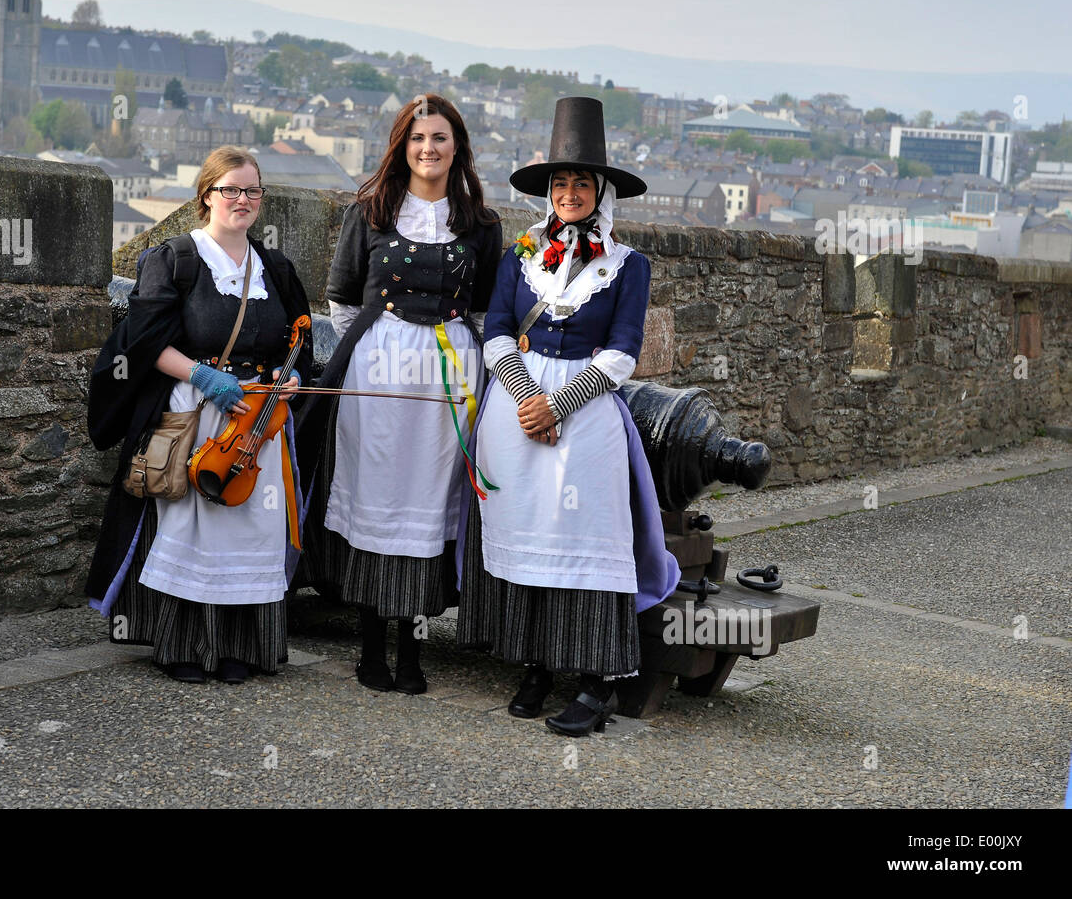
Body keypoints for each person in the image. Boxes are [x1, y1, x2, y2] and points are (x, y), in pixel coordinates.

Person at [456, 97, 681, 735]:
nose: (571, 192)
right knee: (525, 530)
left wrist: (560, 401)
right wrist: (525, 394)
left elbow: (622, 354)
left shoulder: (627, 266)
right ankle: (535, 664)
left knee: (583, 538)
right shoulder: (518, 258)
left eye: (582, 182)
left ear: (601, 191)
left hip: (585, 416)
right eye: (561, 183)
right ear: (549, 193)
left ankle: (597, 680)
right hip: (515, 407)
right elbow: (497, 330)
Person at [297, 93, 502, 694]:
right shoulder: (372, 212)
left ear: (456, 146)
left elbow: (488, 311)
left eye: (439, 138)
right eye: (417, 139)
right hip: (378, 376)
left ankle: (412, 648)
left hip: (448, 380)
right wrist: (382, 346)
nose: (428, 148)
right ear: (401, 147)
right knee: (376, 494)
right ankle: (370, 646)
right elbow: (340, 299)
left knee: (429, 498)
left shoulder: (481, 225)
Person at [86, 145, 313, 684]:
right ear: (206, 196)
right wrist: (204, 376)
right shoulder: (176, 259)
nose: (242, 200)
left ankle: (242, 648)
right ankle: (182, 647)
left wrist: (295, 377)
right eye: (230, 189)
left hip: (257, 426)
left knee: (251, 529)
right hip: (197, 418)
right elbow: (142, 343)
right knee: (192, 527)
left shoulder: (276, 268)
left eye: (252, 190)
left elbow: (299, 344)